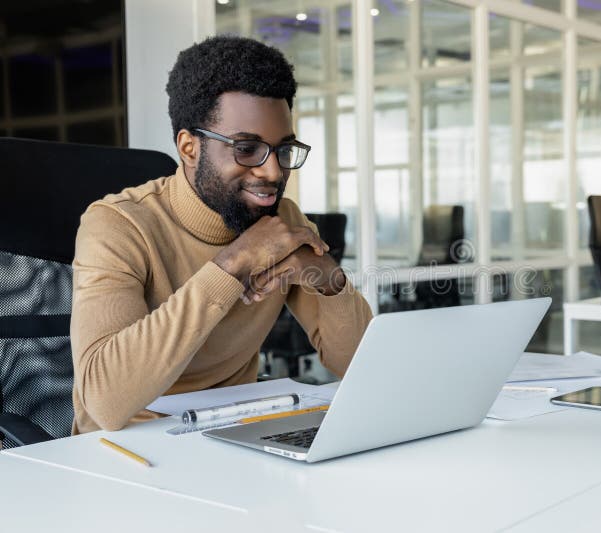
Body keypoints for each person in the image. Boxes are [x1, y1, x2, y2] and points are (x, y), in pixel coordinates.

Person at [70, 35, 373, 434]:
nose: (272, 172)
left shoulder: (281, 221)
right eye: (246, 148)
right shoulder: (118, 225)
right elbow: (106, 402)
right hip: (128, 448)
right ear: (189, 146)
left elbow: (362, 368)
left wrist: (327, 275)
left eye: (283, 150)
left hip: (233, 433)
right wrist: (233, 264)